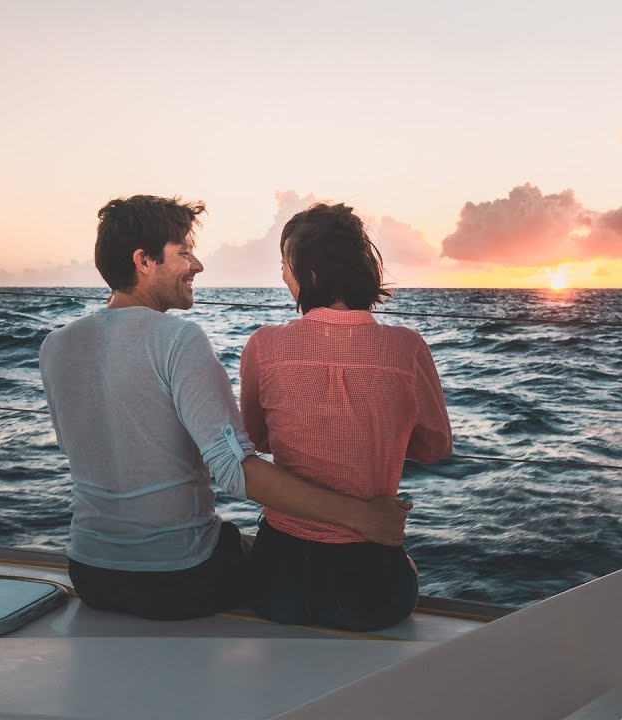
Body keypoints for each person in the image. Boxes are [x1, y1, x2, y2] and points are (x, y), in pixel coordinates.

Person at [39, 194, 412, 621]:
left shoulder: (55, 346)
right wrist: (363, 517)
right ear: (143, 261)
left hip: (90, 571)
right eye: (183, 254)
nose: (197, 266)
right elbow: (235, 471)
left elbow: (80, 451)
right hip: (181, 579)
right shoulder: (178, 339)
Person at [239, 203, 453, 632]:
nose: (282, 276)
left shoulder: (263, 346)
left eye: (285, 265)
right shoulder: (406, 348)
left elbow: (257, 440)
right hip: (369, 588)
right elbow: (435, 447)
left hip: (274, 581)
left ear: (311, 275)